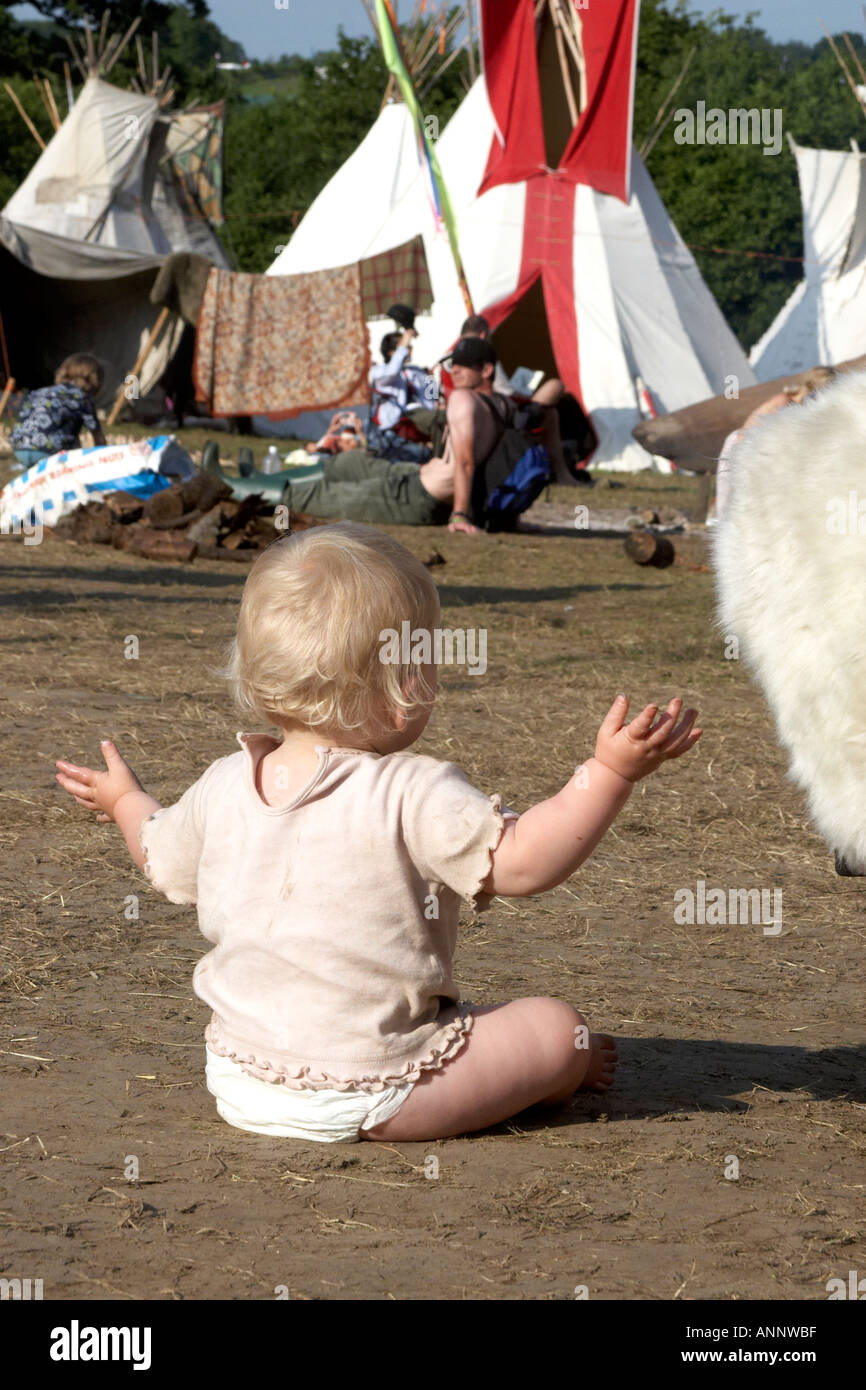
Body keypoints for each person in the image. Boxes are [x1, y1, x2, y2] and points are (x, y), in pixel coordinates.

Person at [55, 522, 701, 1144]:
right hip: (375, 1085)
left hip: (239, 1077)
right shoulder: (411, 791)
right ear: (402, 690)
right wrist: (609, 773)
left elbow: (155, 848)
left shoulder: (225, 783)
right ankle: (556, 1073)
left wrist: (125, 800)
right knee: (563, 1033)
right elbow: (527, 860)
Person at [256, 336, 515, 534]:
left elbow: (460, 451)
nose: (455, 370)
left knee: (327, 494)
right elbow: (394, 378)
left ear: (486, 370)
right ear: (393, 353)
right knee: (345, 464)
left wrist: (460, 514)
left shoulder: (431, 381)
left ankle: (236, 488)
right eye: (453, 364)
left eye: (463, 365)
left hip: (413, 478)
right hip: (406, 463)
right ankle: (260, 477)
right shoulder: (384, 372)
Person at [9, 354, 106, 472]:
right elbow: (97, 436)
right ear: (94, 379)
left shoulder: (42, 391)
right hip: (48, 450)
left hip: (20, 448)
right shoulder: (82, 397)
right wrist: (104, 462)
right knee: (73, 445)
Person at [368, 328, 438, 462]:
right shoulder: (379, 372)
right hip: (397, 427)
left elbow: (432, 397)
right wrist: (406, 337)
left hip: (422, 420)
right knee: (439, 420)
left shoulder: (416, 370)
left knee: (442, 418)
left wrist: (431, 379)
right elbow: (393, 370)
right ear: (392, 353)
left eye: (409, 346)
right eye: (405, 346)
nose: (408, 349)